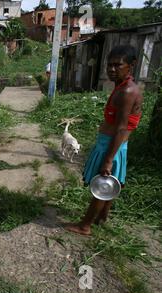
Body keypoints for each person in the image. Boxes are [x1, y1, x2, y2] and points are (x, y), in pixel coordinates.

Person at [65, 45, 143, 236]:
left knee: (101, 186)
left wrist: (108, 159)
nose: (112, 69)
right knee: (109, 183)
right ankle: (102, 217)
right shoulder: (122, 87)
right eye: (109, 65)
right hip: (111, 145)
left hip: (111, 146)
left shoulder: (127, 92)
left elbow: (122, 128)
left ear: (131, 65)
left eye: (118, 65)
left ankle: (85, 225)